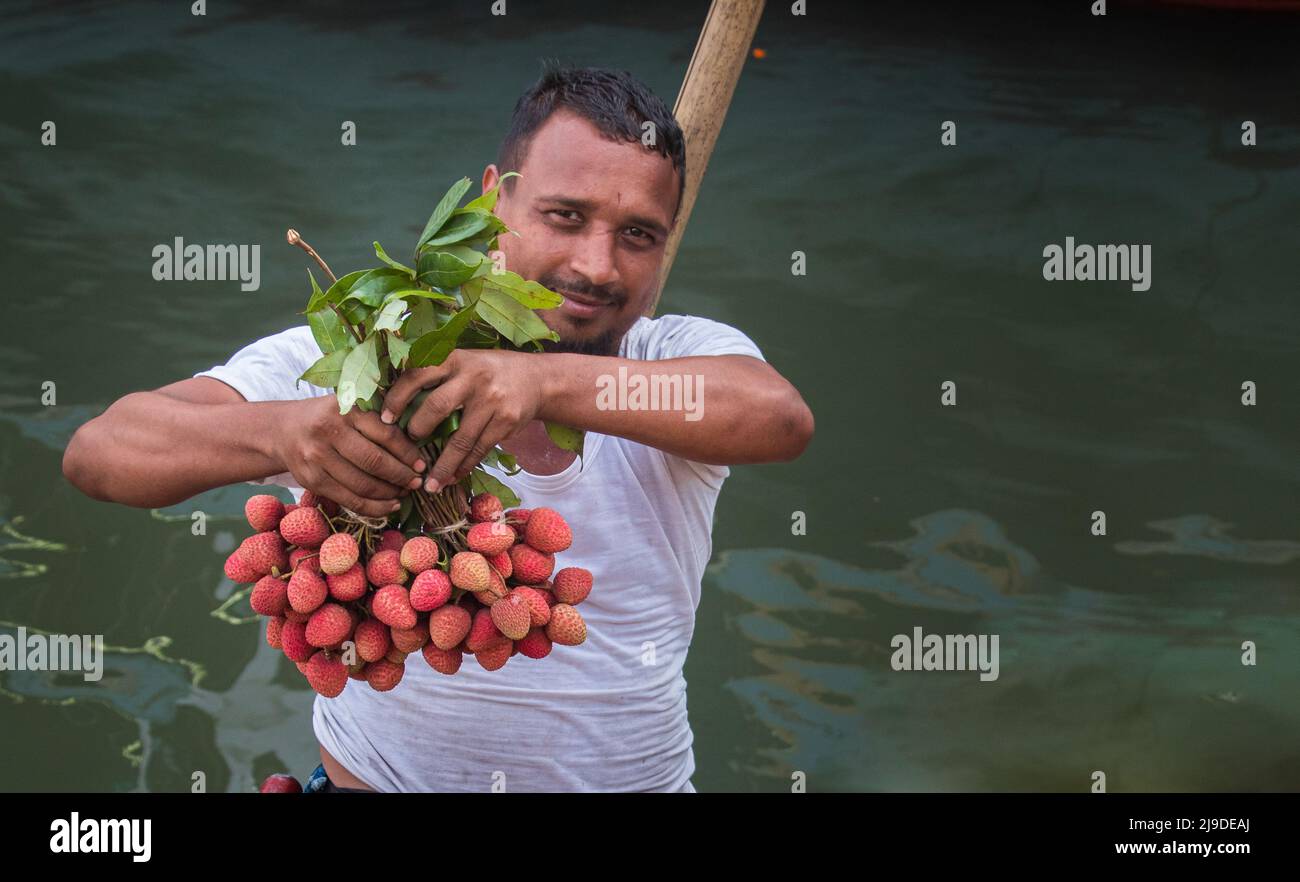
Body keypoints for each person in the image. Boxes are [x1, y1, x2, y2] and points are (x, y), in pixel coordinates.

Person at [63, 65, 815, 792]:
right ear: (492, 203)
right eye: (565, 216)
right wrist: (285, 435)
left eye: (639, 235)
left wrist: (540, 380)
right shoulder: (365, 356)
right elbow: (101, 454)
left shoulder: (668, 356)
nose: (597, 266)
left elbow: (776, 417)